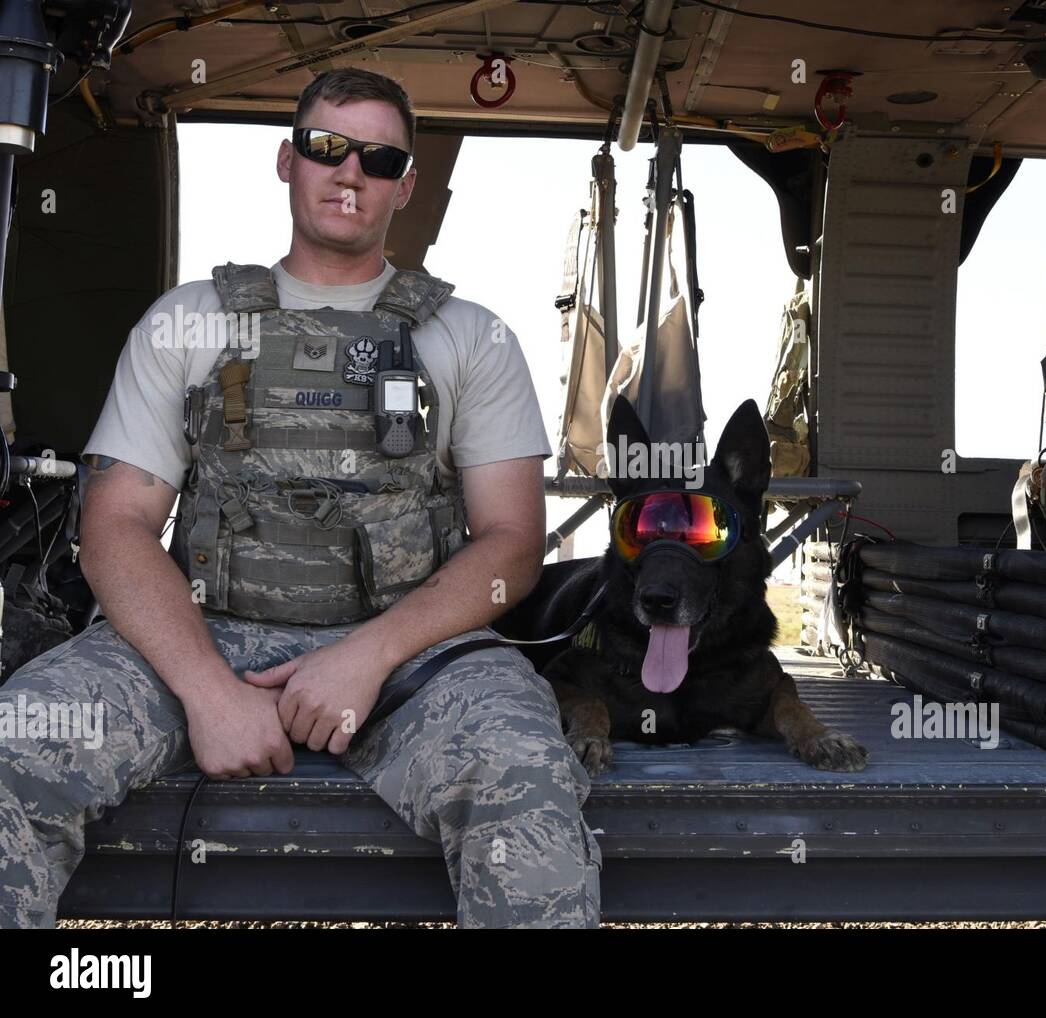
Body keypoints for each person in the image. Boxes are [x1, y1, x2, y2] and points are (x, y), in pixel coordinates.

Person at [0, 67, 601, 928]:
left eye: (379, 158)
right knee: (15, 744)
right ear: (289, 161)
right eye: (327, 147)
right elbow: (114, 528)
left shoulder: (471, 337)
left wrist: (367, 656)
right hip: (194, 640)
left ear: (406, 183)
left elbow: (509, 544)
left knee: (527, 783)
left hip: (413, 663)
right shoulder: (189, 321)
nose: (349, 173)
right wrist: (208, 691)